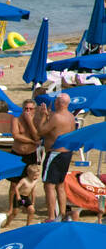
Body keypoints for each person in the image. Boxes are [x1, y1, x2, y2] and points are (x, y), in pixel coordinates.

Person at [36, 93, 78, 222]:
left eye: (55, 101)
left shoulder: (56, 117)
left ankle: (51, 216)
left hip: (55, 153)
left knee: (49, 185)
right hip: (67, 153)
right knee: (60, 185)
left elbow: (41, 131)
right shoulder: (71, 116)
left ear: (59, 103)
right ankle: (63, 213)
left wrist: (43, 116)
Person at [10, 98, 40, 167]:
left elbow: (37, 137)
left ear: (34, 110)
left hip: (31, 153)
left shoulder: (37, 121)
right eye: (26, 108)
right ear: (23, 109)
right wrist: (32, 142)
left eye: (31, 109)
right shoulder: (16, 120)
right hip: (17, 152)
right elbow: (16, 135)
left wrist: (29, 122)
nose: (28, 110)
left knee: (30, 176)